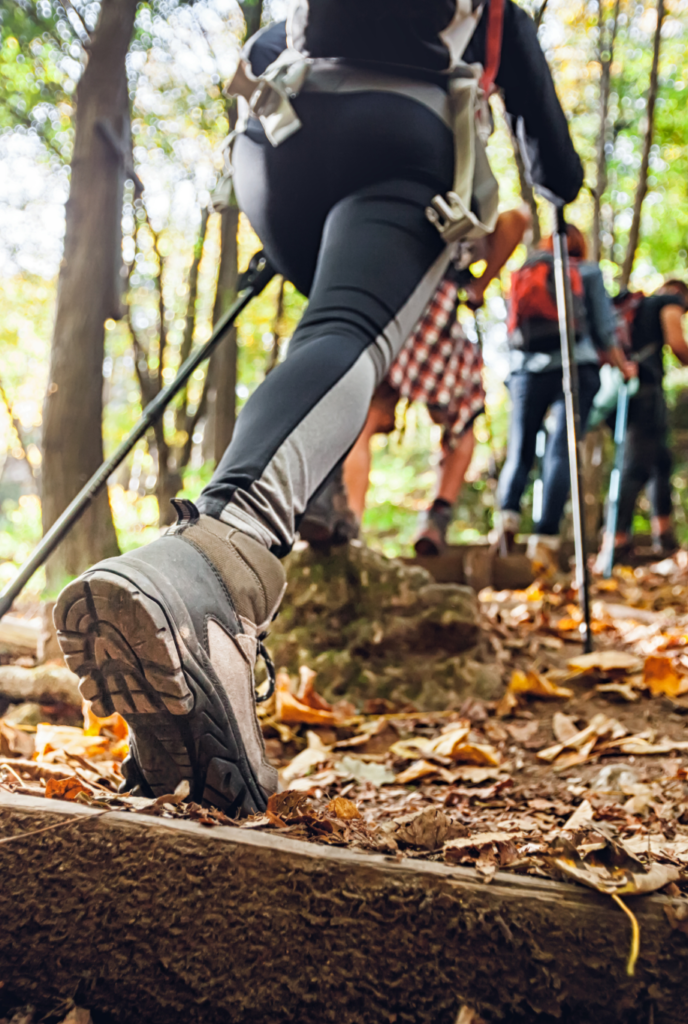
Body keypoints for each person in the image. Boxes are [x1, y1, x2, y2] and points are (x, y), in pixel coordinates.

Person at [53, 2, 583, 814]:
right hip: (396, 139)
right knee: (348, 333)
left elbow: (268, 44)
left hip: (275, 142)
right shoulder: (497, 15)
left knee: (324, 330)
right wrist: (551, 183)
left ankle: (314, 501)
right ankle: (217, 574)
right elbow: (555, 169)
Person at [300, 208, 531, 555]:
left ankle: (349, 521)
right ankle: (437, 517)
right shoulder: (458, 207)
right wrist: (479, 286)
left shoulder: (389, 210)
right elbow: (519, 218)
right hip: (439, 316)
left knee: (364, 419)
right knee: (462, 420)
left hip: (387, 308)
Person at [495, 225, 635, 568]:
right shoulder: (586, 271)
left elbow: (511, 330)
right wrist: (622, 364)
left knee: (521, 448)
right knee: (561, 450)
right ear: (580, 246)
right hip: (575, 366)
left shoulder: (528, 269)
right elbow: (604, 327)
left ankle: (506, 519)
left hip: (527, 370)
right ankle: (544, 539)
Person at [609, 279, 688, 560]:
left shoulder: (636, 307)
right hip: (644, 388)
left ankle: (663, 537)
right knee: (635, 465)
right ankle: (616, 543)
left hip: (623, 390)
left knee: (660, 461)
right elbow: (676, 341)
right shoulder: (668, 301)